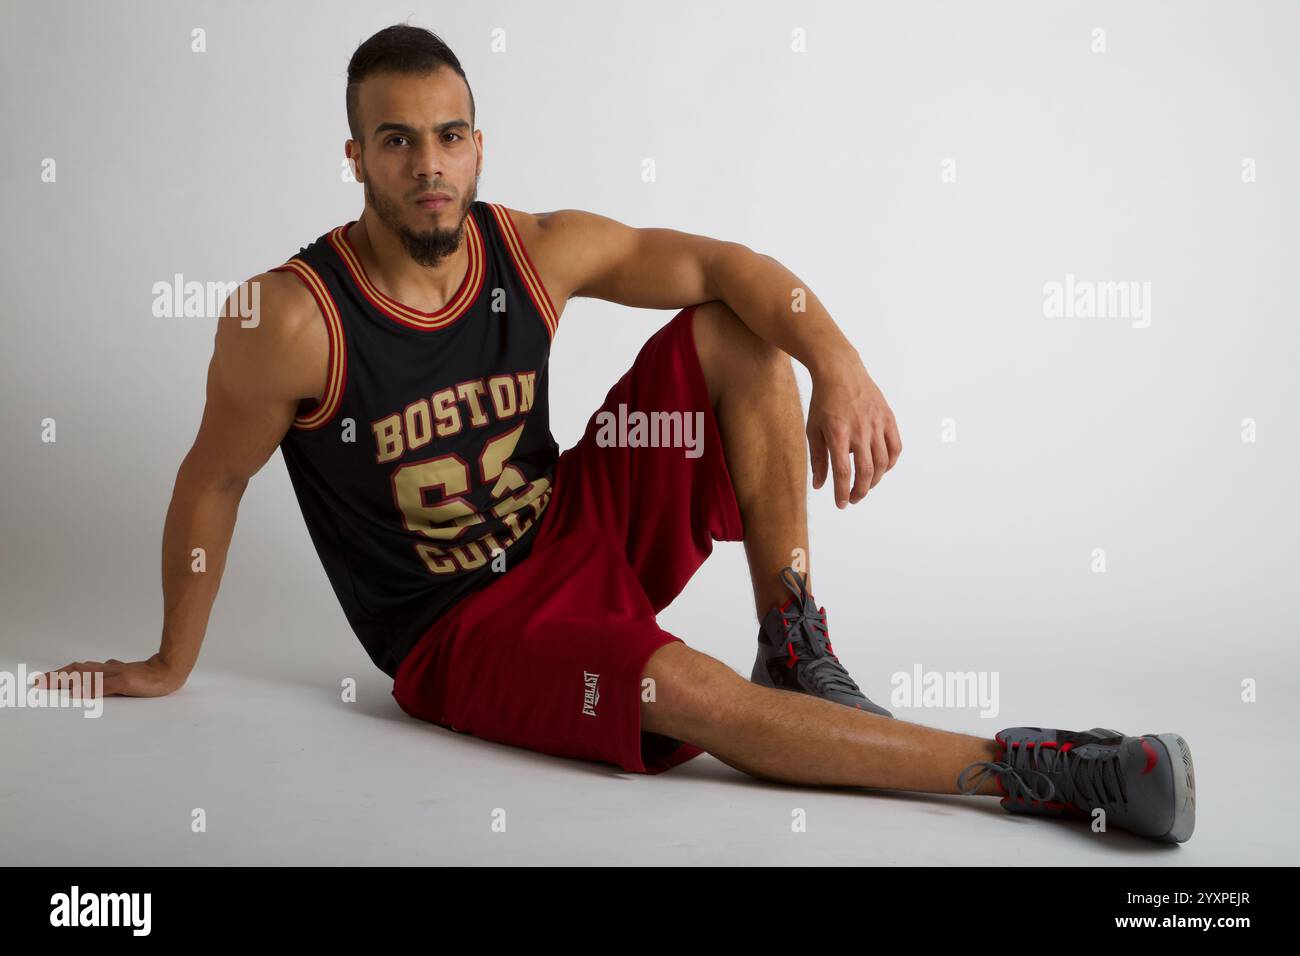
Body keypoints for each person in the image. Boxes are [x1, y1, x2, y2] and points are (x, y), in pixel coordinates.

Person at [33, 24, 1195, 844]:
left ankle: (791, 637)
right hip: (463, 630)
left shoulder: (532, 247)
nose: (428, 165)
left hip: (575, 536)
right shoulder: (288, 318)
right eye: (396, 141)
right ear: (355, 158)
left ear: (479, 143)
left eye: (448, 136)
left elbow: (729, 267)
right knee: (677, 686)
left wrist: (836, 361)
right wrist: (171, 657)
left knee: (730, 327)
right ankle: (1042, 770)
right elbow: (213, 482)